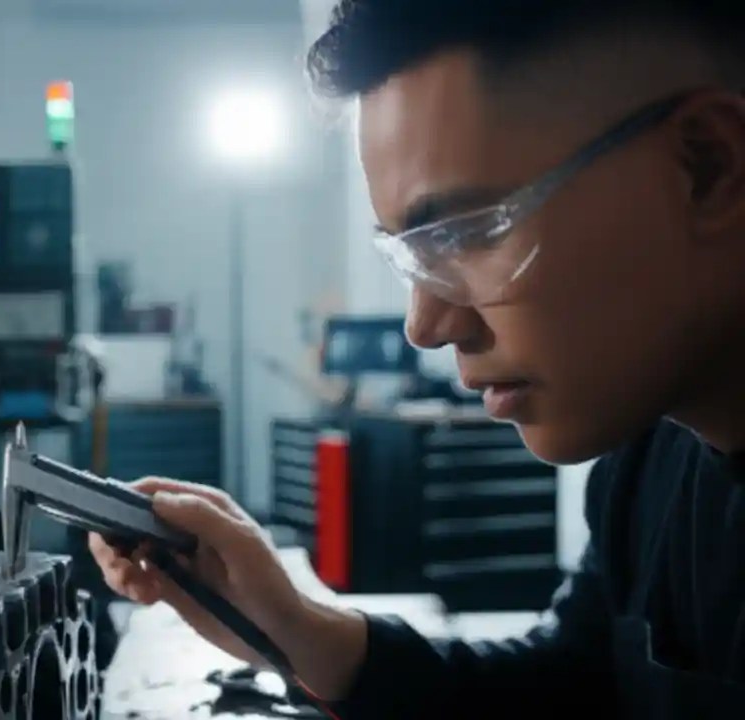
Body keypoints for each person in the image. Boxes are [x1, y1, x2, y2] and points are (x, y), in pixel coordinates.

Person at [88, 1, 745, 717]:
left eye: (465, 236)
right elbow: (573, 685)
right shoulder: (653, 450)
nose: (426, 326)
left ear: (706, 167)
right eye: (411, 257)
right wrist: (295, 627)